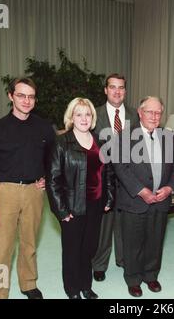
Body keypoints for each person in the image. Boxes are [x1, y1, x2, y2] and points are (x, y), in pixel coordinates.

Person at [0, 77, 55, 299]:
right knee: (2, 248)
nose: (26, 100)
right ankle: (0, 291)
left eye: (31, 96)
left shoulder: (43, 128)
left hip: (34, 192)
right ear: (11, 96)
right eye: (21, 95)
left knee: (29, 243)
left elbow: (52, 160)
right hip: (5, 193)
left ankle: (28, 282)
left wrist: (47, 178)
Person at [112, 96, 174, 297]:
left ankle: (151, 275)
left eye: (158, 112)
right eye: (149, 112)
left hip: (161, 200)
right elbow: (121, 168)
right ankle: (133, 279)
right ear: (140, 113)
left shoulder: (170, 138)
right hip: (134, 200)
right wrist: (141, 191)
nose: (154, 116)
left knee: (155, 240)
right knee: (133, 242)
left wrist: (169, 188)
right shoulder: (125, 137)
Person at [46, 98, 115, 299]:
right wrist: (61, 211)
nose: (84, 118)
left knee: (89, 248)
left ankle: (86, 286)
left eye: (88, 114)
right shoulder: (61, 142)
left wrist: (109, 197)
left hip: (96, 205)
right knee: (72, 251)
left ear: (92, 117)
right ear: (71, 117)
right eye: (79, 114)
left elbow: (108, 173)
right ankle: (72, 289)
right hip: (72, 207)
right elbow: (53, 180)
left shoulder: (100, 142)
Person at [92, 73, 139, 282]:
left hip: (127, 177)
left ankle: (123, 259)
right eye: (112, 87)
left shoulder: (134, 115)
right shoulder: (94, 114)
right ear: (105, 90)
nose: (117, 91)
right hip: (102, 177)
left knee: (125, 222)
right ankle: (99, 264)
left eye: (121, 87)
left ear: (125, 91)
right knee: (103, 224)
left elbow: (140, 147)